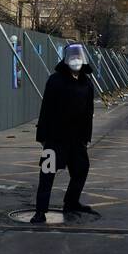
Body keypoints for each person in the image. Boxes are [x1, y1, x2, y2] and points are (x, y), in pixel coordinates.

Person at [32, 43, 96, 223]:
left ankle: (71, 202)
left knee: (81, 170)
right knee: (47, 173)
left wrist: (86, 138)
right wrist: (42, 138)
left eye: (79, 57)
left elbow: (88, 112)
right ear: (66, 59)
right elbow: (46, 109)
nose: (76, 60)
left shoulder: (87, 83)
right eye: (72, 57)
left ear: (83, 59)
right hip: (55, 138)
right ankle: (40, 211)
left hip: (77, 140)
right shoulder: (55, 80)